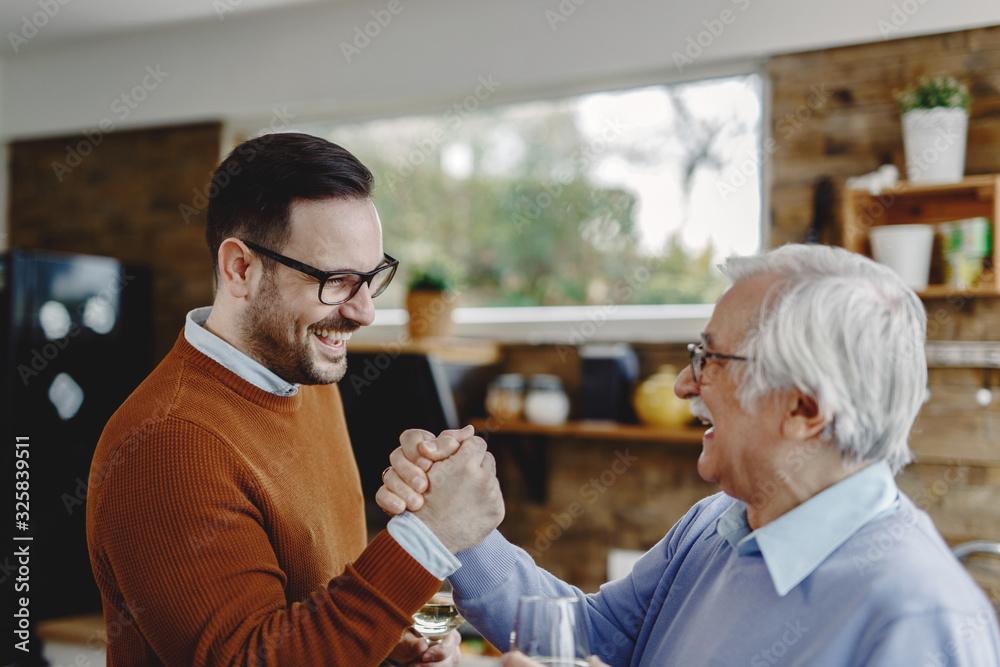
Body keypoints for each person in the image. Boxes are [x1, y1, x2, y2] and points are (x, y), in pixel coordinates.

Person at [379, 244, 1000, 665]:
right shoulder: (715, 524)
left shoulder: (922, 620)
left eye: (711, 361)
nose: (682, 384)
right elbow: (590, 636)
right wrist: (459, 529)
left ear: (806, 409)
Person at [86, 132, 503, 667]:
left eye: (371, 278)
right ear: (241, 268)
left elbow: (308, 612)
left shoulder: (304, 377)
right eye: (336, 280)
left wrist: (382, 641)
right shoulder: (168, 444)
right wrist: (427, 538)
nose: (364, 311)